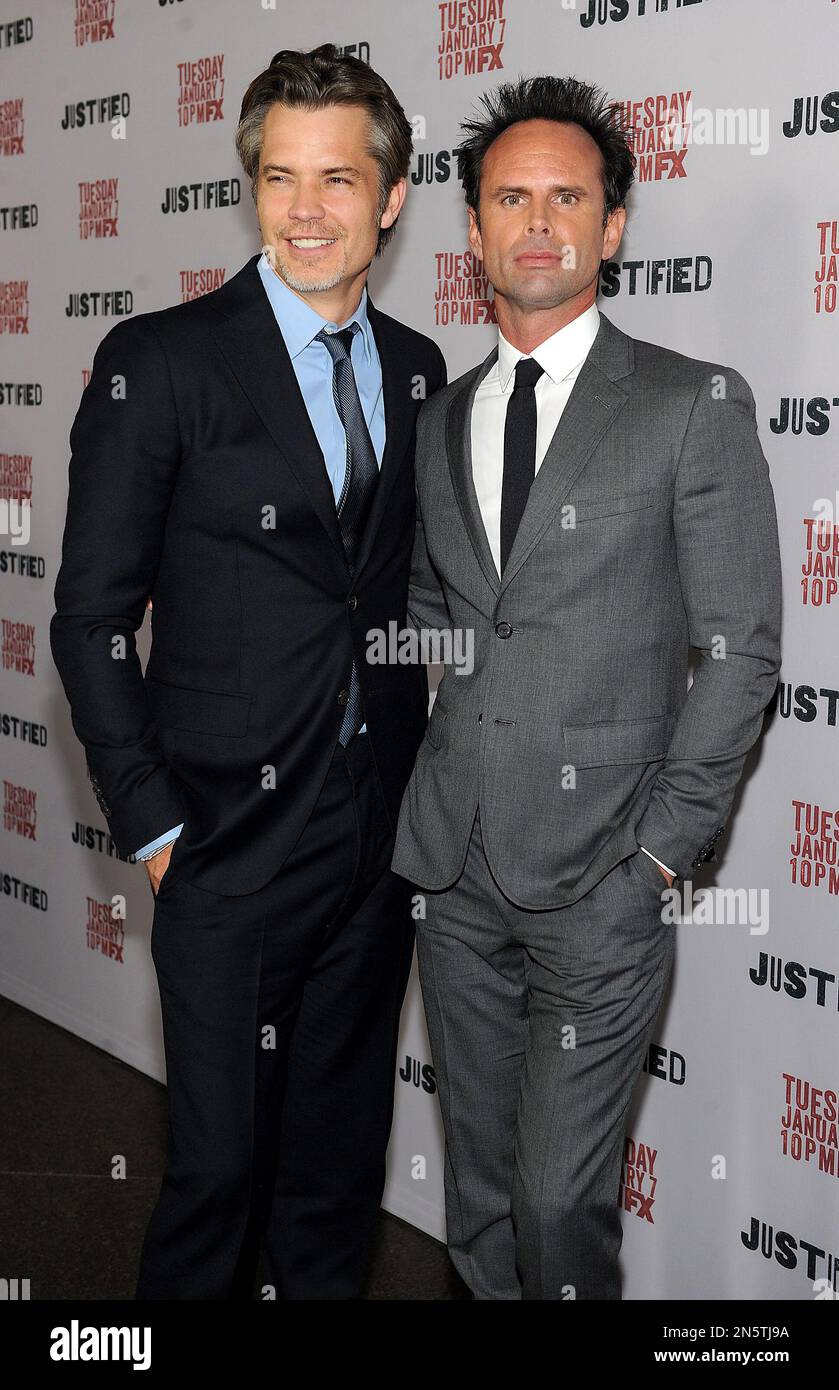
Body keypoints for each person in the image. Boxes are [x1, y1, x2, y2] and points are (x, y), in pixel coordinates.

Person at [50, 44, 446, 1300]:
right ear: (253, 190)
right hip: (222, 834)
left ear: (389, 199)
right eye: (280, 178)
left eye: (338, 179)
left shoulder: (419, 368)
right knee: (216, 1176)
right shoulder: (161, 360)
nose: (307, 210)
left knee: (335, 1178)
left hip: (373, 839)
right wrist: (158, 824)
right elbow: (90, 617)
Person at [392, 75, 782, 1299]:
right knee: (481, 1203)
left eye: (569, 196)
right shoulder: (441, 417)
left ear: (611, 227)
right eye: (511, 197)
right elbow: (432, 613)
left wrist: (658, 858)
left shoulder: (686, 404)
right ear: (471, 229)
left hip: (604, 883)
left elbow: (739, 653)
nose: (539, 221)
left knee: (562, 1210)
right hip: (453, 874)